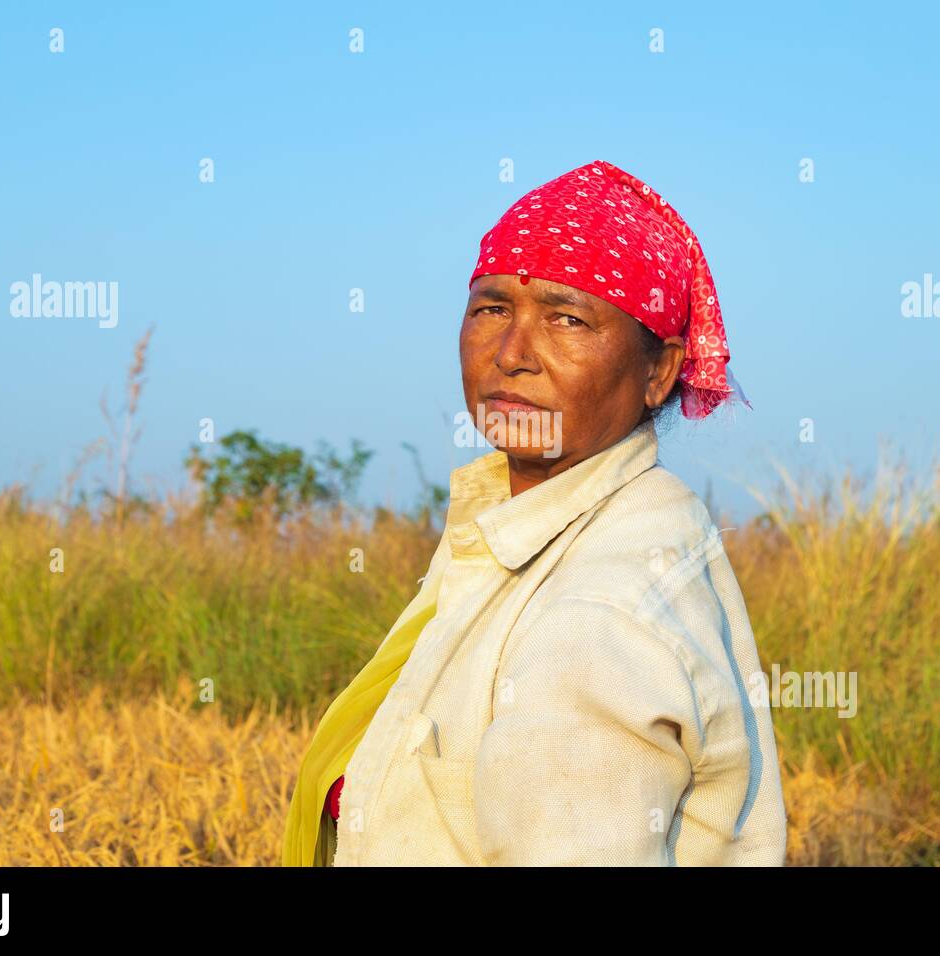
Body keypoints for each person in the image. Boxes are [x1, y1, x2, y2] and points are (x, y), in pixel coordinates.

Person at [282, 159, 786, 866]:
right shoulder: (529, 529)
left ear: (658, 372)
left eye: (567, 318)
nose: (512, 354)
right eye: (491, 308)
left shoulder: (595, 613)